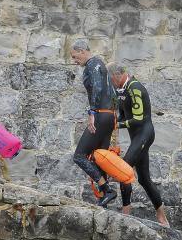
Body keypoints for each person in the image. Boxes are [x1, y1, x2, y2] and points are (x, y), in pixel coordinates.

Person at [106, 62, 169, 227]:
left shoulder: (134, 88)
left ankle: (125, 214)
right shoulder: (121, 90)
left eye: (110, 79)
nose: (110, 82)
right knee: (144, 179)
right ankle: (162, 217)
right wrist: (111, 122)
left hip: (145, 134)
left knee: (123, 170)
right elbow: (122, 115)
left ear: (117, 75)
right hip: (136, 137)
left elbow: (139, 119)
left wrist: (117, 125)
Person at [69, 39, 116, 207]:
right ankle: (104, 199)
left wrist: (92, 112)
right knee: (99, 158)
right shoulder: (100, 64)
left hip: (101, 115)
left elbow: (97, 88)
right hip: (109, 115)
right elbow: (112, 93)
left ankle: (107, 190)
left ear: (82, 51)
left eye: (75, 56)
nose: (75, 60)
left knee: (79, 156)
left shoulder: (92, 64)